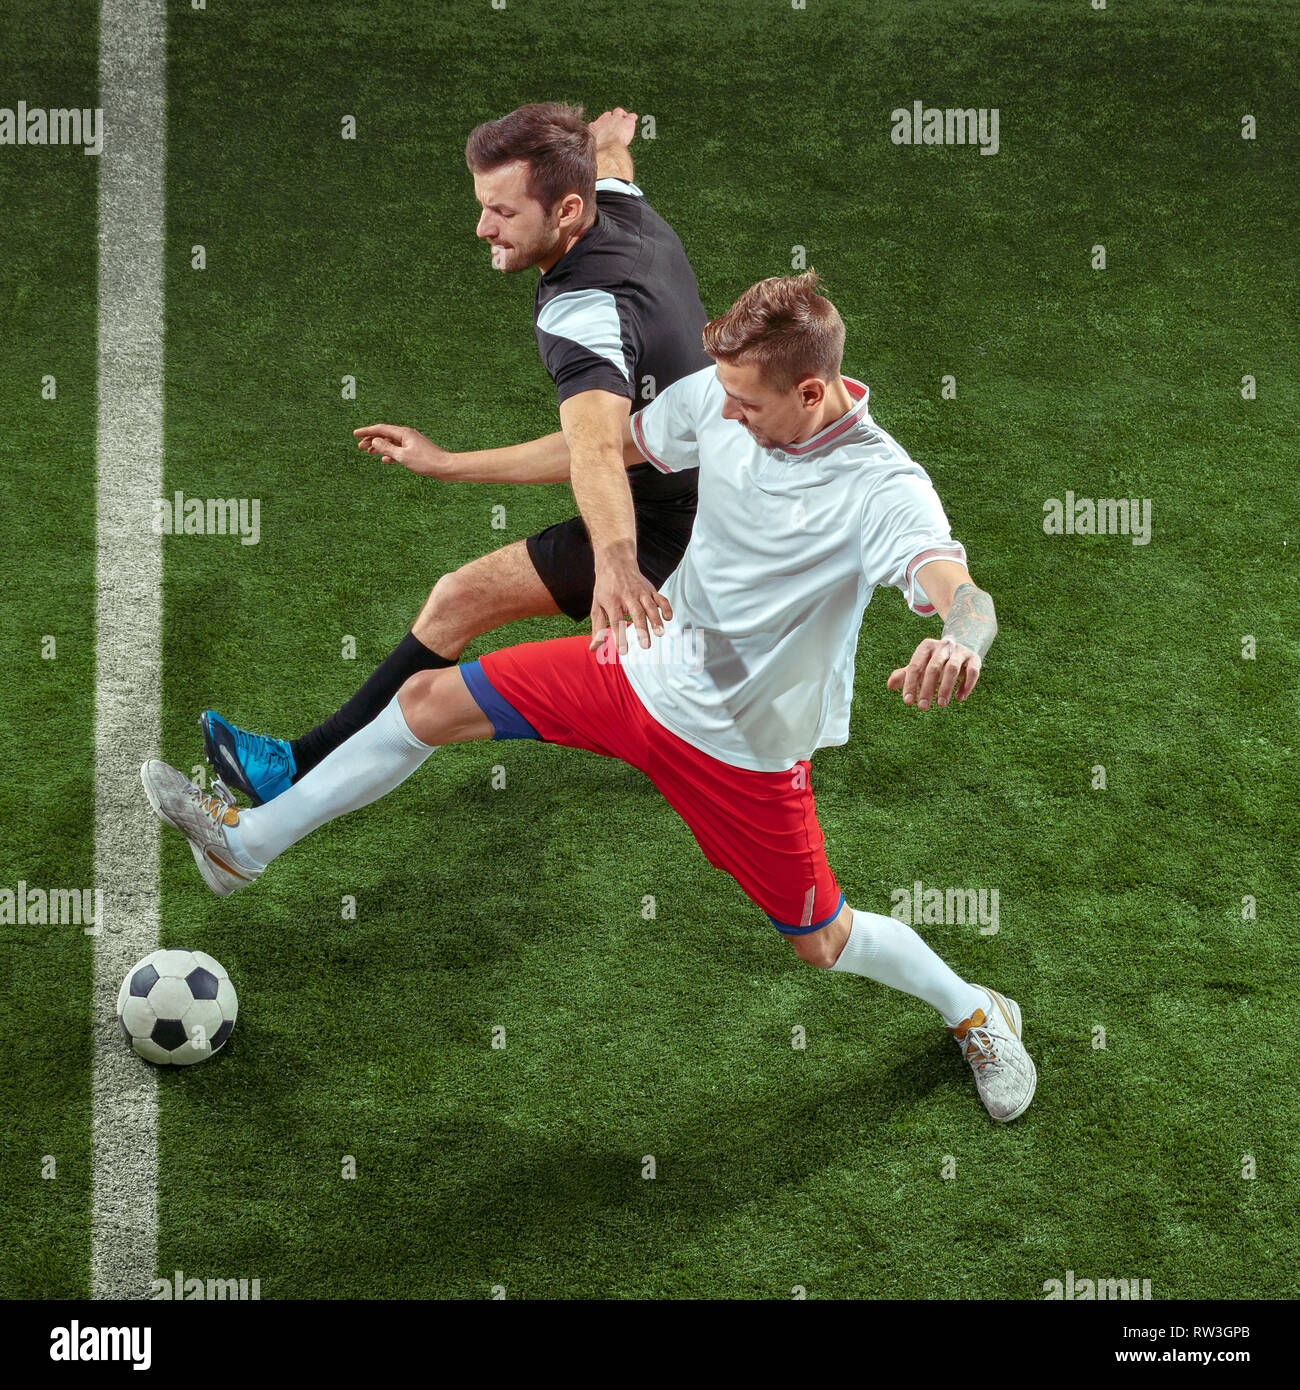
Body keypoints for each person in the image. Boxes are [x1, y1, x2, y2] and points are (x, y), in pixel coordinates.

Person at [143, 272, 1036, 1123]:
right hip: (638, 669)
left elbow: (963, 593)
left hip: (742, 751)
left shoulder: (883, 486)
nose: (725, 414)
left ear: (812, 391)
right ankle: (247, 846)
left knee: (821, 942)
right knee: (427, 701)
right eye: (724, 395)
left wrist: (959, 641)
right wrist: (450, 464)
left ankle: (975, 1011)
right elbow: (600, 447)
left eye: (747, 404)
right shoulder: (725, 395)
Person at [202, 102, 706, 804]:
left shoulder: (583, 311)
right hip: (698, 481)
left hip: (667, 527)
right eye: (482, 205)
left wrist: (617, 562)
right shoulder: (622, 208)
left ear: (566, 210)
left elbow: (594, 449)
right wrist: (600, 140)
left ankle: (294, 769)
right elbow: (612, 162)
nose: (482, 228)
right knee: (460, 596)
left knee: (459, 600)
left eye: (503, 211)